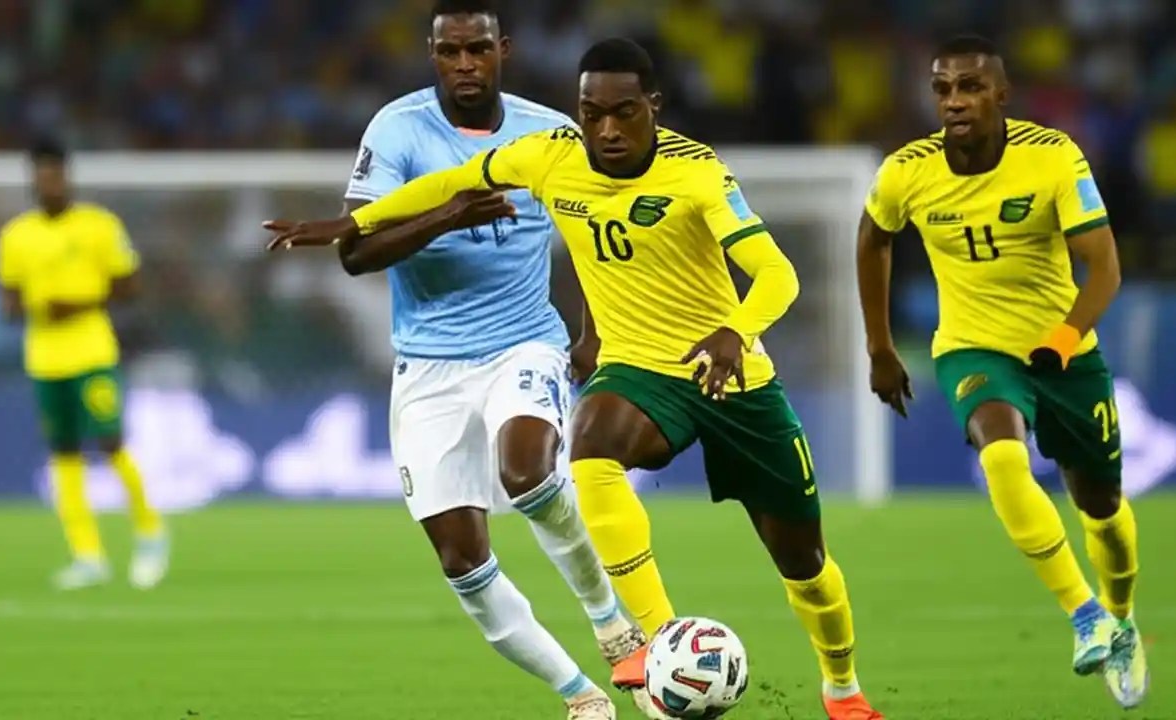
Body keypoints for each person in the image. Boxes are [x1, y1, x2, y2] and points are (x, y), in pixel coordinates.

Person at [265, 37, 885, 720]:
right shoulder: (550, 157)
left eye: (623, 113)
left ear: (653, 107)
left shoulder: (698, 172)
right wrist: (352, 220)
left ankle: (841, 683)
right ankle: (657, 639)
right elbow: (450, 183)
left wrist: (735, 331)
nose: (607, 130)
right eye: (592, 114)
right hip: (638, 370)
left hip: (734, 377)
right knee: (590, 449)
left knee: (806, 567)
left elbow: (778, 274)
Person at [277, 2, 637, 718]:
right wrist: (449, 214)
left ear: (503, 49)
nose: (465, 66)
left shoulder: (552, 134)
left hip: (524, 341)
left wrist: (596, 324)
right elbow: (355, 253)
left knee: (529, 471)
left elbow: (602, 231)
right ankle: (582, 698)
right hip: (428, 367)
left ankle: (611, 622)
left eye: (478, 50)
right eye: (450, 53)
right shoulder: (398, 129)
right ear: (432, 54)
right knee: (461, 562)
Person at [855, 35, 1147, 709]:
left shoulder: (1052, 158)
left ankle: (1121, 617)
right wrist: (879, 346)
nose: (954, 101)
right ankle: (1084, 615)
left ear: (1002, 95)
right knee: (1002, 459)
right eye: (943, 89)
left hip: (1064, 352)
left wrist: (1066, 336)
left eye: (970, 87)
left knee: (1101, 508)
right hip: (972, 349)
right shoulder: (908, 170)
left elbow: (1104, 267)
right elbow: (872, 236)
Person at [0, 138, 168, 591]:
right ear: (33, 180)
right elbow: (9, 301)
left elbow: (129, 286)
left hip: (92, 351)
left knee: (110, 442)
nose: (49, 183)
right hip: (45, 360)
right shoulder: (16, 236)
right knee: (63, 453)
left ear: (66, 177)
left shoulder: (98, 226)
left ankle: (150, 531)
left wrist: (78, 304)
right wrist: (30, 307)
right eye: (41, 176)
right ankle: (87, 554)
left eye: (56, 174)